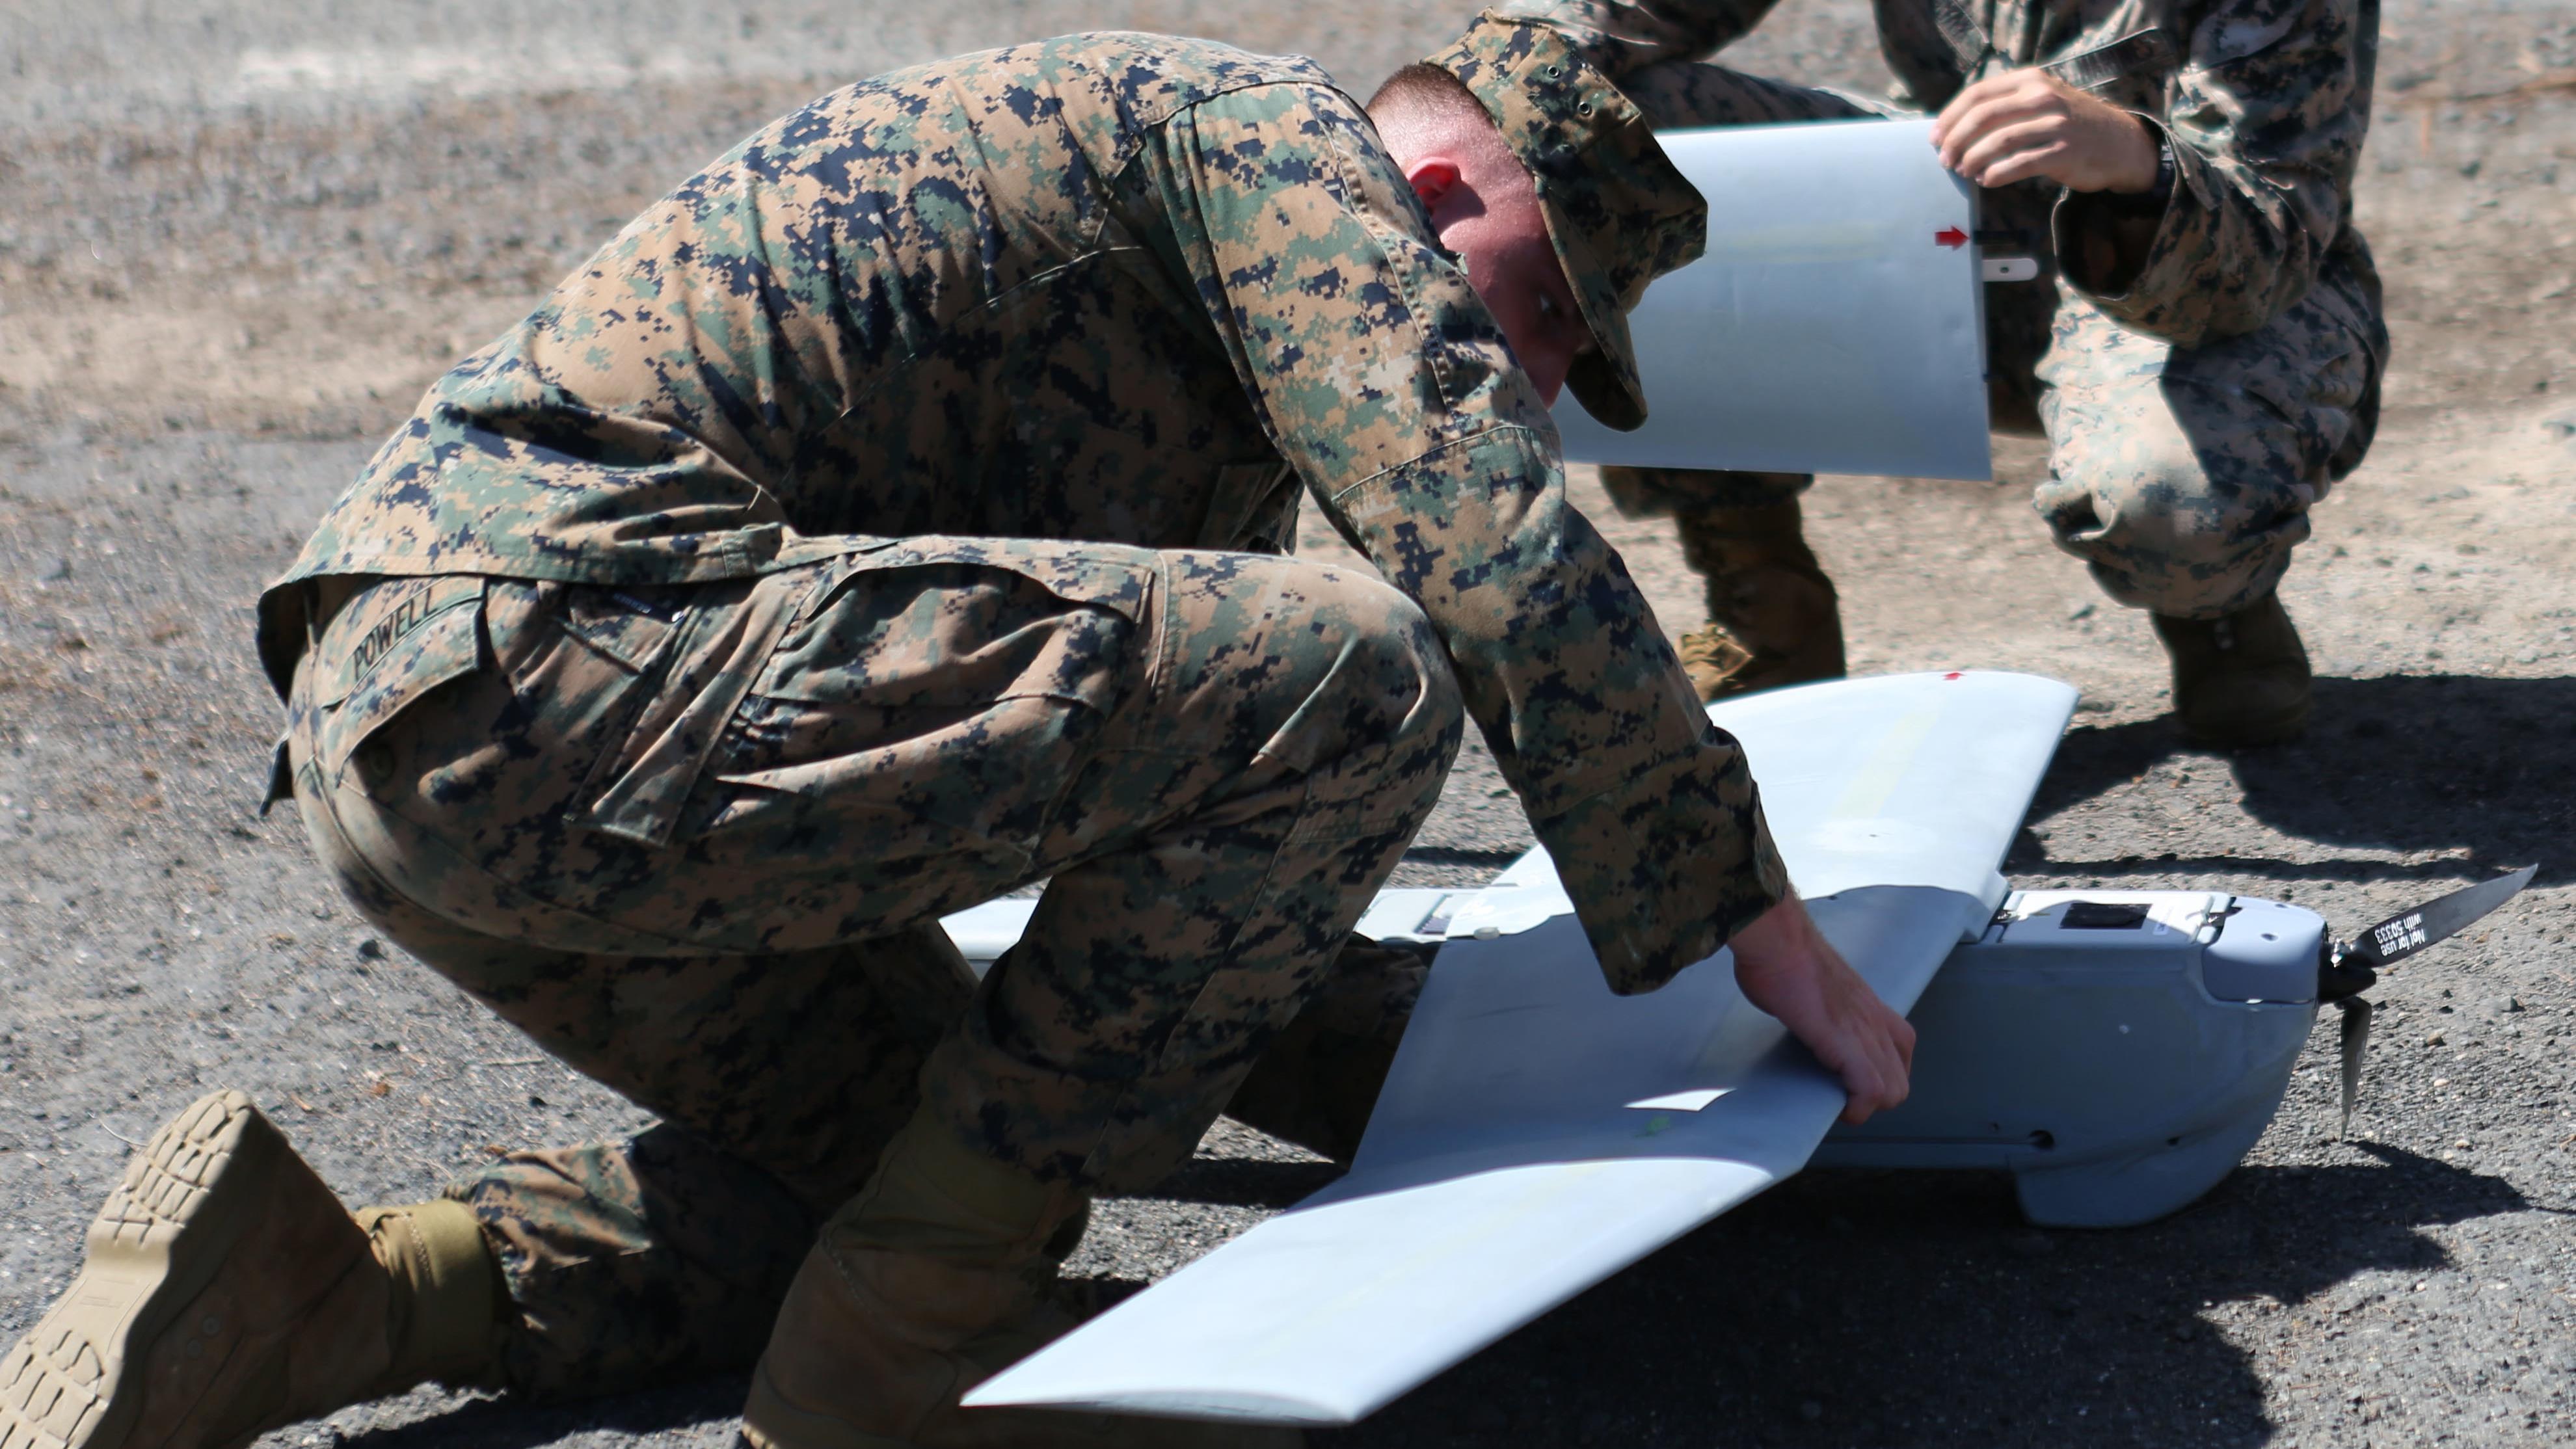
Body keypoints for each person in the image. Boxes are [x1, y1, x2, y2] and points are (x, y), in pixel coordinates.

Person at [0, 18, 1914, 1449]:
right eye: (1556, 317)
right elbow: (1485, 543)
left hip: (444, 736)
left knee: (916, 1156)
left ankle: (324, 1296)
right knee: (1371, 660)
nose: (1548, 380)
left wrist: (1461, 1063)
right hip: (576, 667)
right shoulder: (1273, 150)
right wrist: (1758, 923)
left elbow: (1172, 901)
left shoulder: (1203, 376)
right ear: (1441, 197)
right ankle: (879, 1393)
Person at [1514, 0, 2387, 745]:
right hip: (1939, 216)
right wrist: (1477, 90)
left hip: (2177, 250)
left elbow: (2273, 224)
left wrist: (2131, 158)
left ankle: (2215, 611)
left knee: (2175, 502)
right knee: (1585, 126)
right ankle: (1766, 604)